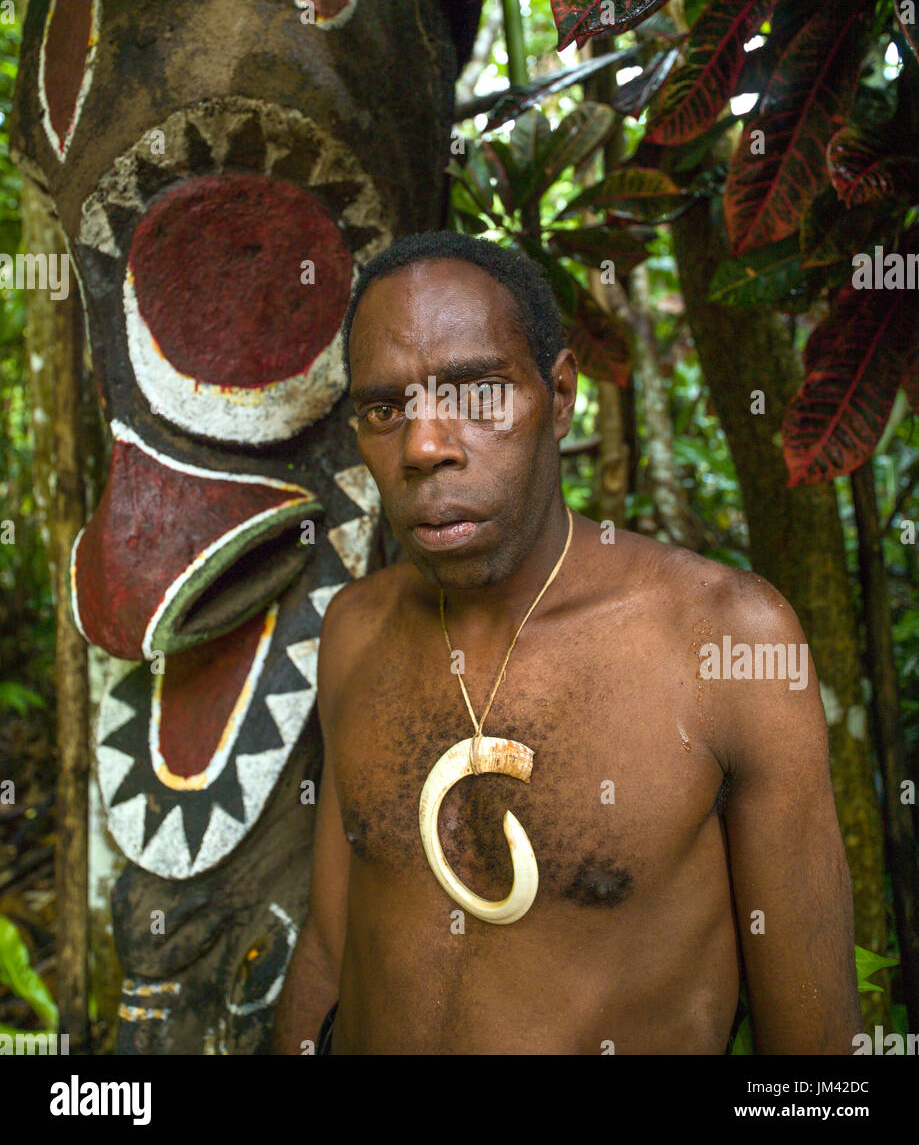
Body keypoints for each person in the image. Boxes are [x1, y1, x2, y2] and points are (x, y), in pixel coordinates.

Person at [273, 229, 862, 1055]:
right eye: (383, 408)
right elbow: (333, 950)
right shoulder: (356, 631)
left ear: (560, 394)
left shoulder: (725, 645)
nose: (424, 446)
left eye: (477, 393)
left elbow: (815, 1055)